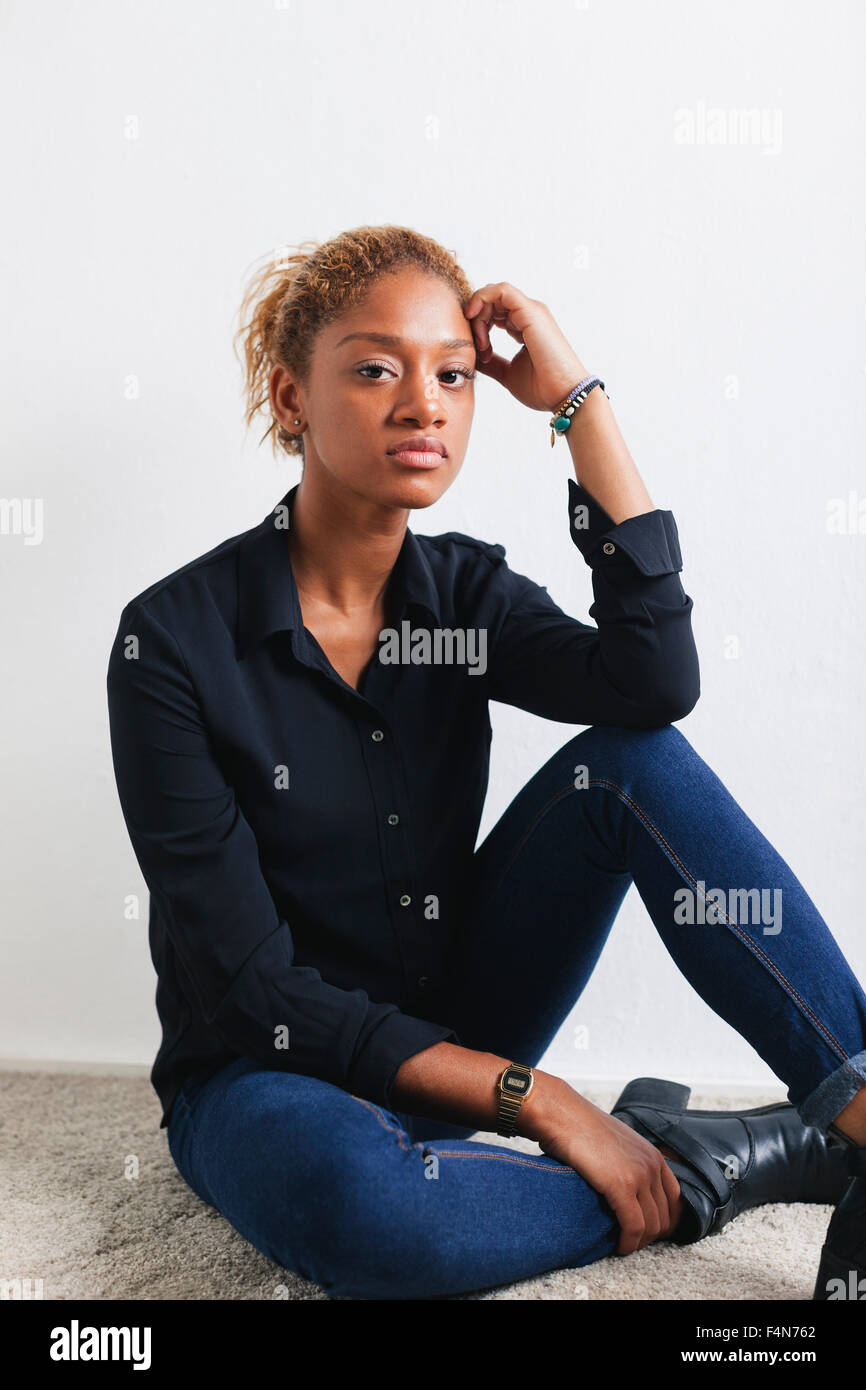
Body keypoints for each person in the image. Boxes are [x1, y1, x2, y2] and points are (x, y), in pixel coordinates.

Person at [106, 224, 866, 1301]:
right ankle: (714, 1159)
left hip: (457, 1013)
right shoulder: (172, 642)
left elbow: (652, 686)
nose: (423, 402)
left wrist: (579, 407)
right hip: (266, 1073)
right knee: (374, 1215)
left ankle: (857, 1108)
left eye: (452, 375)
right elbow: (253, 989)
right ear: (289, 400)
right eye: (375, 369)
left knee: (628, 762)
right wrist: (544, 1101)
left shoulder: (464, 598)